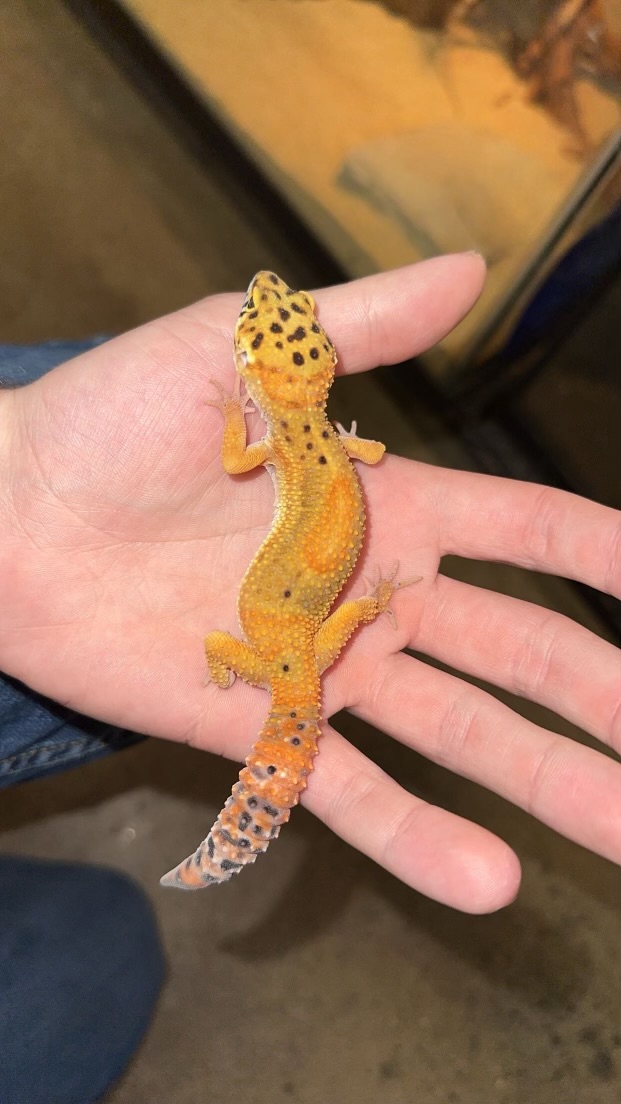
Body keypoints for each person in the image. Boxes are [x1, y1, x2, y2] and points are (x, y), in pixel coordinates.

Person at [1, 255, 619, 1101]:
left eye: (269, 315)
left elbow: (235, 460)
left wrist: (233, 418)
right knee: (251, 654)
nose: (265, 291)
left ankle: (240, 798)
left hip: (297, 637)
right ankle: (241, 747)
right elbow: (370, 449)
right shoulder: (324, 439)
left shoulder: (275, 442)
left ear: (268, 368)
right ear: (317, 366)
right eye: (266, 314)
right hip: (286, 645)